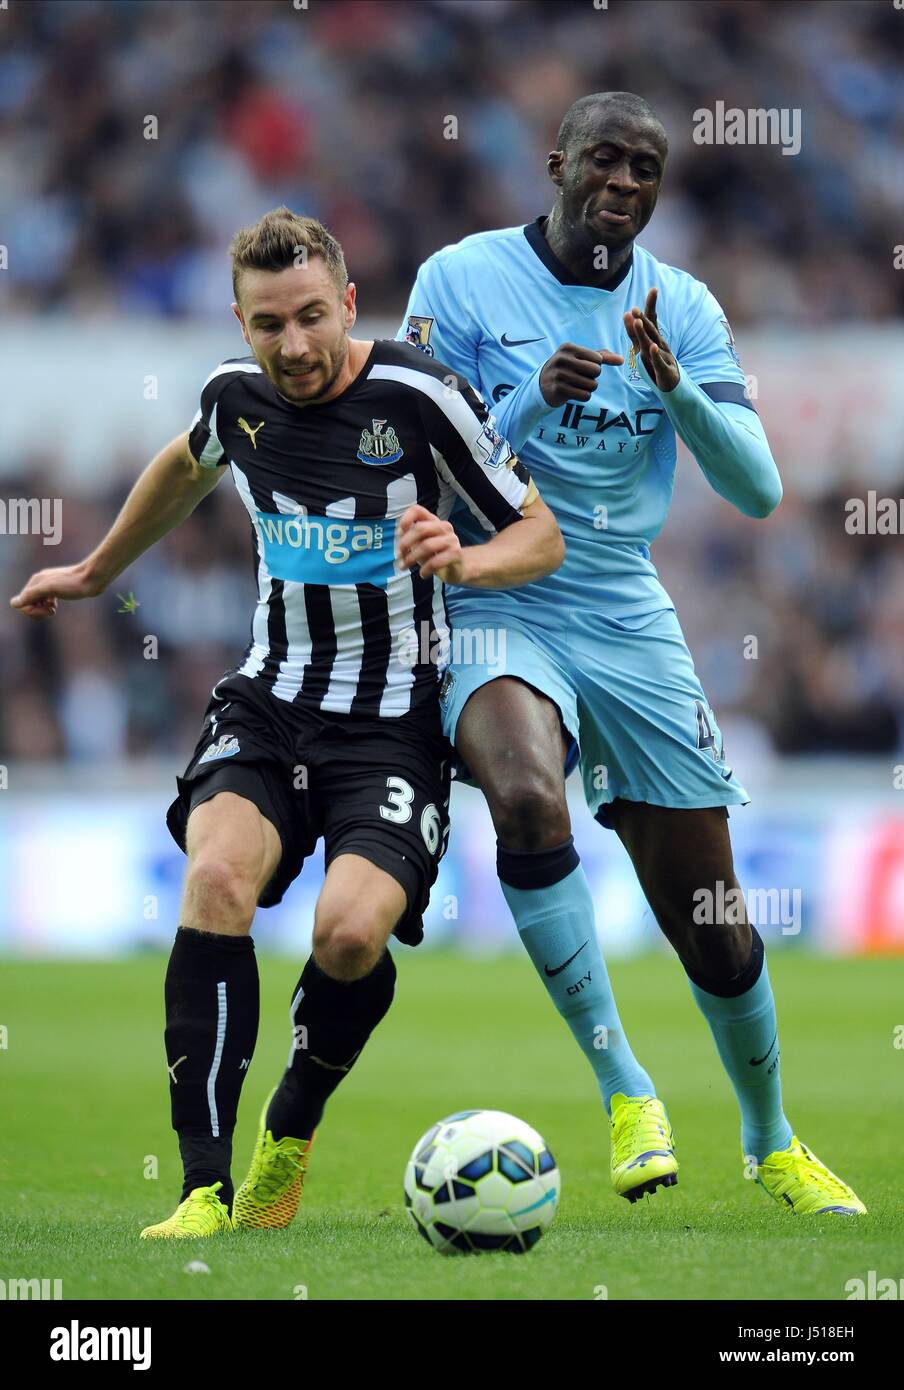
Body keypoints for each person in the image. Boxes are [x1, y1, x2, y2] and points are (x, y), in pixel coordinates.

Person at [11, 207, 563, 1238]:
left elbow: (540, 532)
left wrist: (464, 556)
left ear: (349, 304)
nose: (294, 345)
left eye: (312, 317)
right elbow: (186, 462)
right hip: (270, 701)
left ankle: (290, 1129)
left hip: (392, 722)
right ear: (241, 321)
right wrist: (94, 572)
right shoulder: (234, 398)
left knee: (348, 935)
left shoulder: (420, 397)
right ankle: (203, 1188)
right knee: (216, 877)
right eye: (270, 325)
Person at [398, 92, 864, 1215]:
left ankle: (771, 1139)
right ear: (555, 160)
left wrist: (671, 389)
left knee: (714, 923)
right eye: (603, 159)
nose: (622, 182)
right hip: (499, 585)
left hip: (623, 604)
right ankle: (625, 1090)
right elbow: (403, 461)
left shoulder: (684, 306)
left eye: (644, 170)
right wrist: (518, 401)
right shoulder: (459, 279)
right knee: (522, 795)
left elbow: (756, 490)